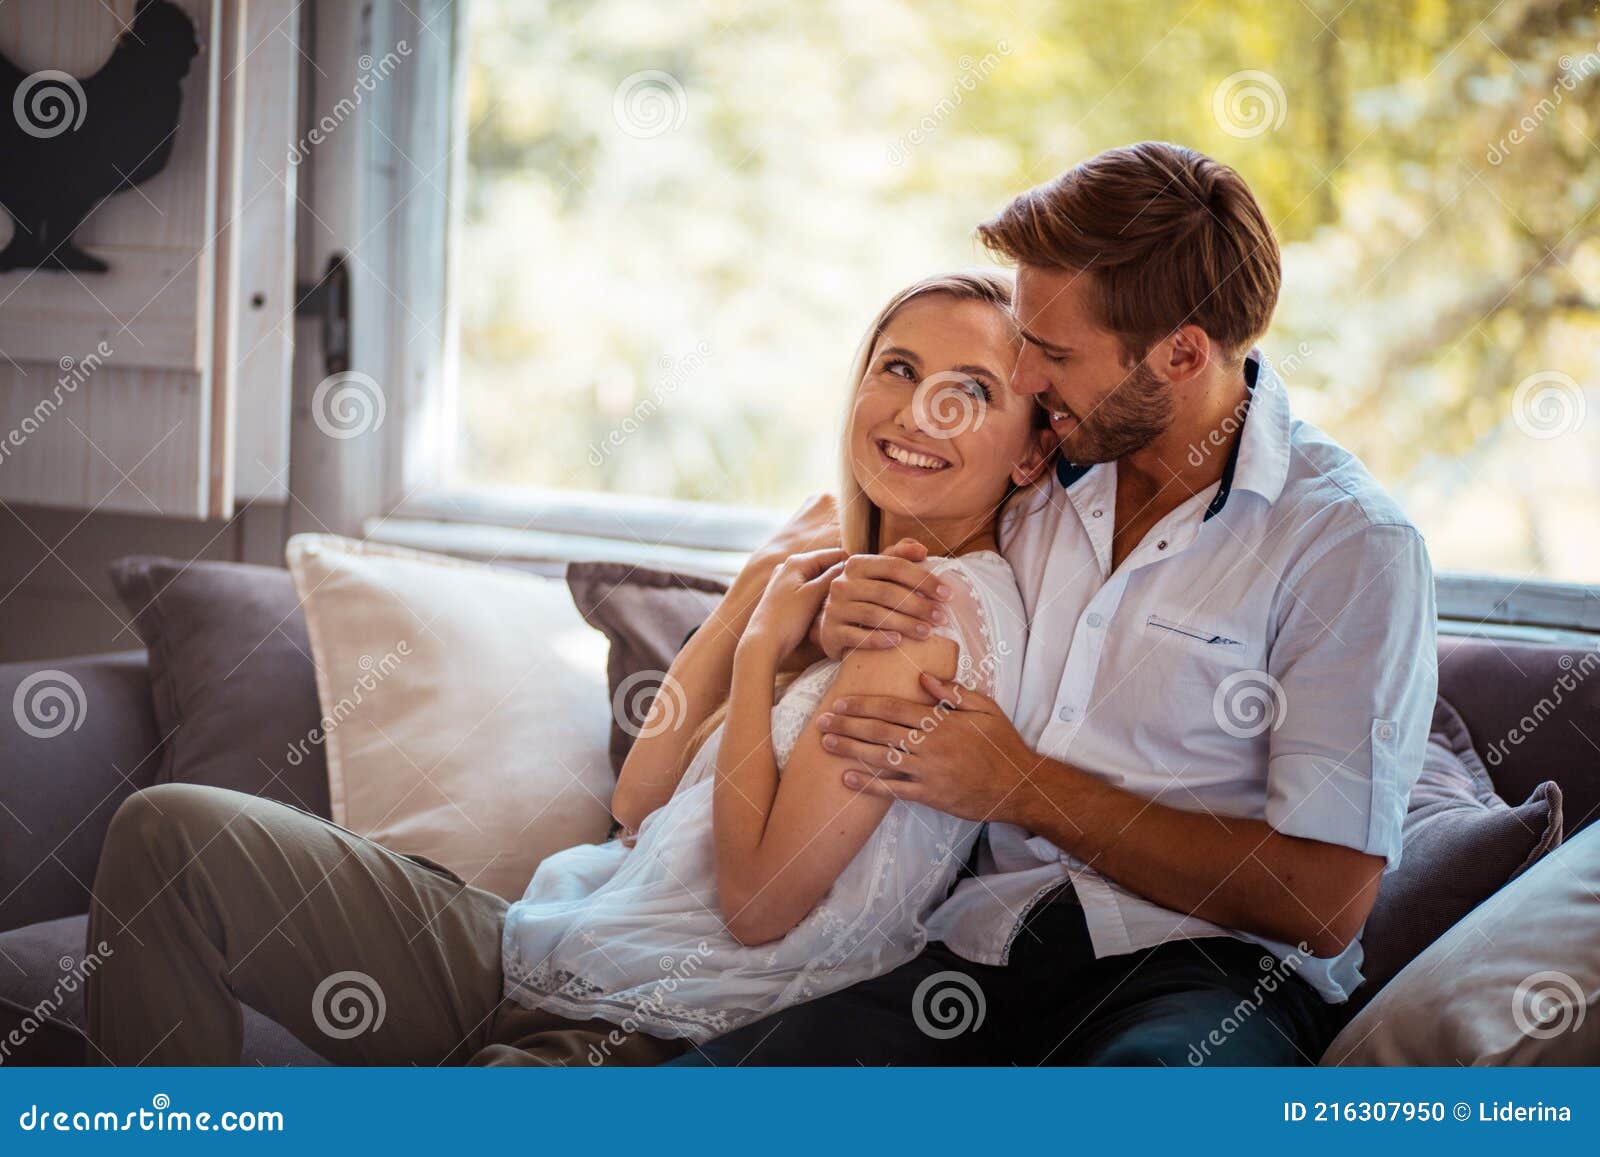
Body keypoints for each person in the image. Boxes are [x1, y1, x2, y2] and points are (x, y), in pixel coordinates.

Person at [83, 271, 1052, 1066]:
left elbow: (761, 906)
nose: (918, 408)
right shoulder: (847, 578)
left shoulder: (922, 612)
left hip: (653, 1026)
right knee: (173, 833)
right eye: (897, 365)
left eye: (971, 389)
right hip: (549, 944)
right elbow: (639, 801)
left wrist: (759, 657)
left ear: (1030, 447)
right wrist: (751, 600)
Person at [669, 141, 1439, 1067]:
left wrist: (1023, 784)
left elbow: (1322, 900)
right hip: (976, 949)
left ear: (1181, 354)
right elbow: (884, 514)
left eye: (1053, 352)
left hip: (1201, 976)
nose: (1026, 377)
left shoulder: (1348, 546)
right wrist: (836, 613)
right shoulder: (1040, 474)